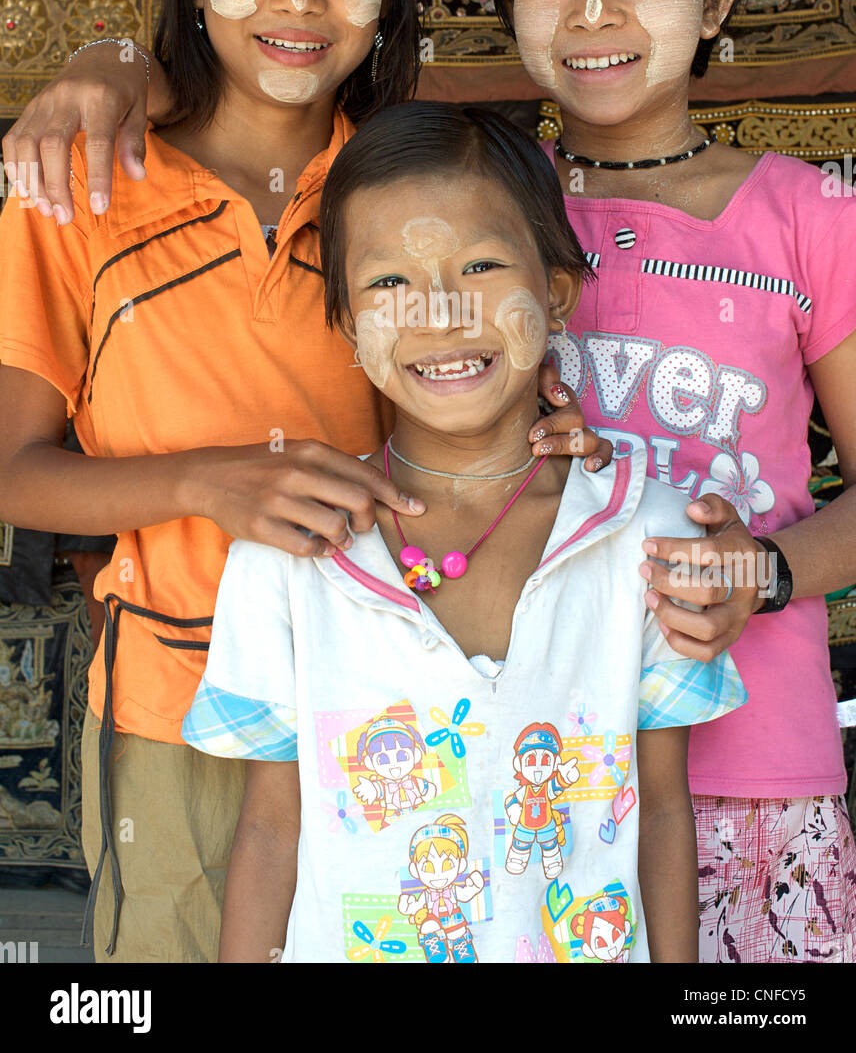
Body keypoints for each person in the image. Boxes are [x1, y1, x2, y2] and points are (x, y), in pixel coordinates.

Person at [0, 0, 604, 965]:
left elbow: (464, 401)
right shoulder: (77, 195)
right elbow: (12, 474)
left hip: (397, 698)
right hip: (175, 716)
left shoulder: (408, 195)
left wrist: (537, 427)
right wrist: (210, 483)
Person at [182, 103, 747, 964]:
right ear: (344, 322)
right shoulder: (292, 549)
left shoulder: (648, 535)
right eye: (387, 284)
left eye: (478, 265)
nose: (438, 314)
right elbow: (268, 830)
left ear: (555, 291)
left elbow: (661, 808)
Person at [485, 0, 856, 962]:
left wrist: (771, 566)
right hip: (525, 766)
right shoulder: (475, 209)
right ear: (508, 6)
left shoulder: (809, 216)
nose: (594, 12)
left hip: (754, 772)